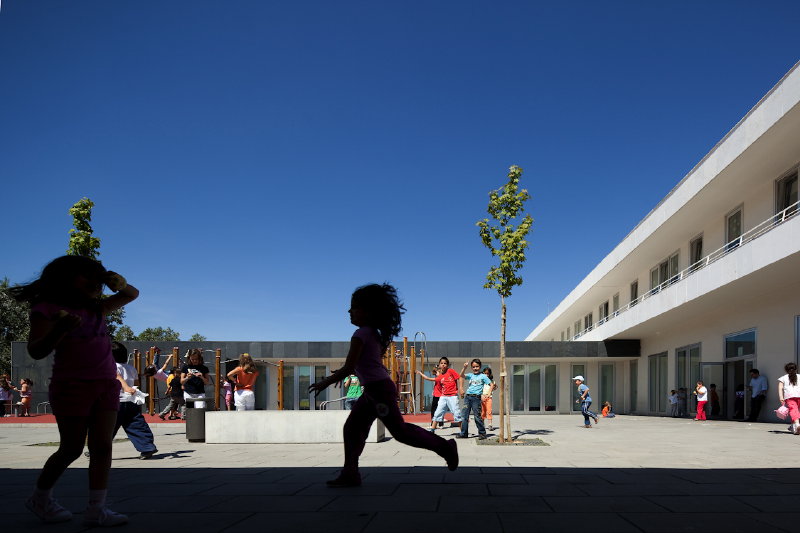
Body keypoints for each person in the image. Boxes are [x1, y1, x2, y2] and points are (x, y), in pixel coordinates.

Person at [11, 255, 138, 525]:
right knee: (71, 448)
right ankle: (40, 497)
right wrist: (60, 329)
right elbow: (36, 350)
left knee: (103, 446)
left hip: (105, 384)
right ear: (65, 278)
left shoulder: (97, 309)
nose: (95, 283)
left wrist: (117, 282)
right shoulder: (46, 308)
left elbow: (131, 294)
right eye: (88, 276)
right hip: (72, 386)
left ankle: (96, 509)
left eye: (98, 278)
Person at [308, 283, 458, 487]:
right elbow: (363, 364)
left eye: (354, 307)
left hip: (378, 390)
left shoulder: (360, 334)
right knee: (352, 428)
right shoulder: (373, 334)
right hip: (375, 388)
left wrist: (324, 382)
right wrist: (344, 373)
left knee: (400, 432)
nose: (349, 311)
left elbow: (349, 366)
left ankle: (446, 447)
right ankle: (350, 473)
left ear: (368, 311)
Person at [111, 342, 158, 460]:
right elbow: (136, 383)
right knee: (136, 424)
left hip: (117, 401)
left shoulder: (112, 366)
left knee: (107, 427)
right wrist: (131, 388)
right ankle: (147, 447)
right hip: (131, 402)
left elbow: (117, 377)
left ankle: (96, 450)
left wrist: (126, 387)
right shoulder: (131, 368)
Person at [457, 359, 493, 440]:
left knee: (477, 417)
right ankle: (463, 434)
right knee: (464, 416)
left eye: (477, 366)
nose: (475, 368)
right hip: (468, 397)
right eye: (473, 367)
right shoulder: (471, 375)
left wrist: (488, 394)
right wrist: (464, 368)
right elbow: (461, 375)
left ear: (480, 367)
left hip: (476, 398)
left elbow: (491, 385)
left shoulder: (483, 376)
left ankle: (482, 433)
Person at [427, 357, 463, 432]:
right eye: (441, 363)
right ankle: (432, 430)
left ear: (447, 365)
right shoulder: (440, 376)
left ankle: (463, 431)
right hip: (443, 396)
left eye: (445, 363)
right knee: (438, 412)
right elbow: (432, 378)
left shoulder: (451, 371)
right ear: (439, 365)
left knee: (456, 413)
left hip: (452, 396)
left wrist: (461, 388)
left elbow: (460, 378)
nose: (443, 365)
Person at [416, 361, 443, 429]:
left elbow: (427, 378)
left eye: (437, 372)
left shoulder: (439, 378)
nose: (435, 373)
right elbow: (433, 372)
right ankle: (440, 424)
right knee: (439, 410)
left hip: (438, 396)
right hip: (438, 396)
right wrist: (436, 368)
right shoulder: (440, 378)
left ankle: (435, 424)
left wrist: (420, 373)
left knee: (435, 410)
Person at [777, 362, 800, 435]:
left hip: (789, 397)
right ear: (796, 369)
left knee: (793, 411)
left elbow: (780, 388)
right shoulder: (799, 376)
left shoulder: (783, 378)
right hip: (799, 396)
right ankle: (794, 428)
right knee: (795, 411)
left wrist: (781, 397)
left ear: (786, 370)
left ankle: (797, 424)